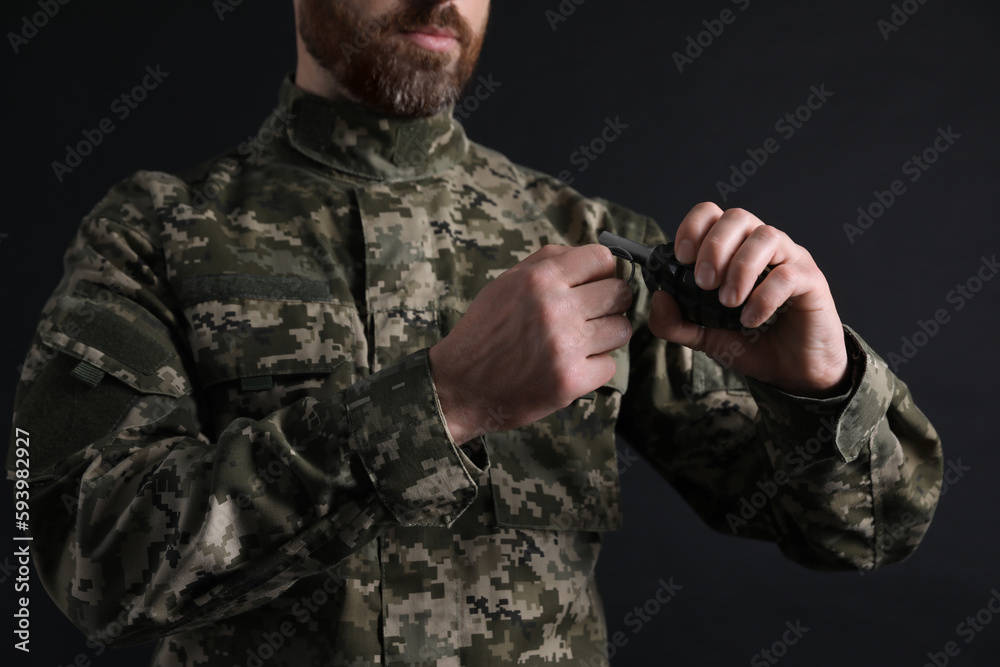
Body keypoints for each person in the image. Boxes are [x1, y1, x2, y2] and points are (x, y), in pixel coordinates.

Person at [7, 1, 943, 665]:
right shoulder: (152, 234)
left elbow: (865, 531)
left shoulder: (591, 242)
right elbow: (76, 561)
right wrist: (444, 401)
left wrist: (819, 391)